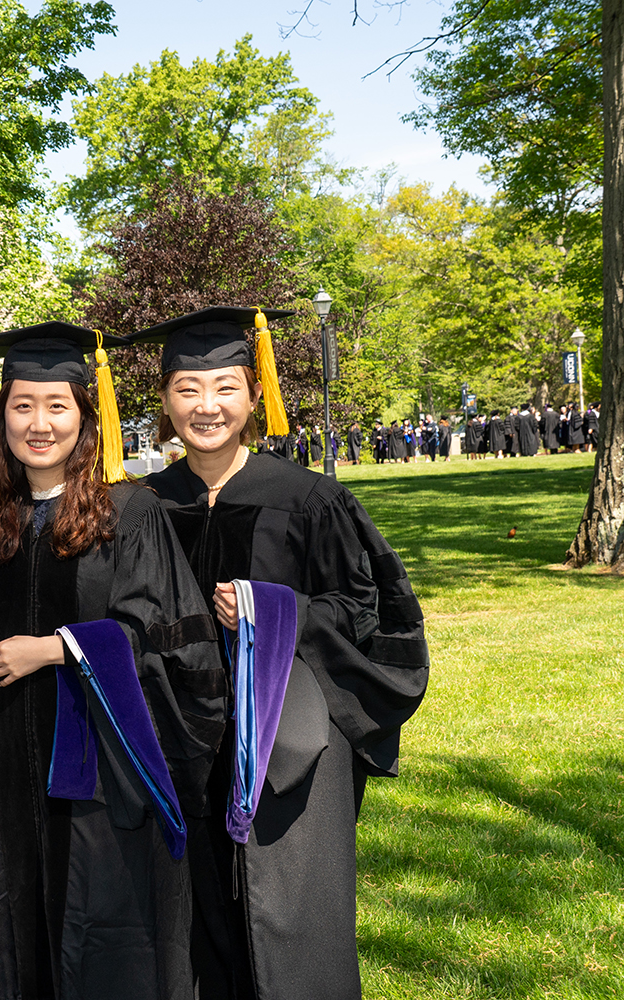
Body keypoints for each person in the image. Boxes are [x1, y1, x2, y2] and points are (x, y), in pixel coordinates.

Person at [0, 321, 223, 999]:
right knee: (5, 940)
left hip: (102, 792)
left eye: (58, 406)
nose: (40, 423)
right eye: (23, 405)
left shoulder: (131, 515)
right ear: (0, 415)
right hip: (1, 790)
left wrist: (61, 649)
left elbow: (174, 641)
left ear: (87, 420)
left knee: (106, 946)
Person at [130, 306, 430, 1000]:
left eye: (226, 388)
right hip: (173, 739)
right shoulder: (142, 505)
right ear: (165, 399)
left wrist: (274, 610)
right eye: (188, 389)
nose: (207, 407)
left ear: (254, 394)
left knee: (285, 916)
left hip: (283, 742)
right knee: (189, 913)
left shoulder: (309, 500)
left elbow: (365, 609)